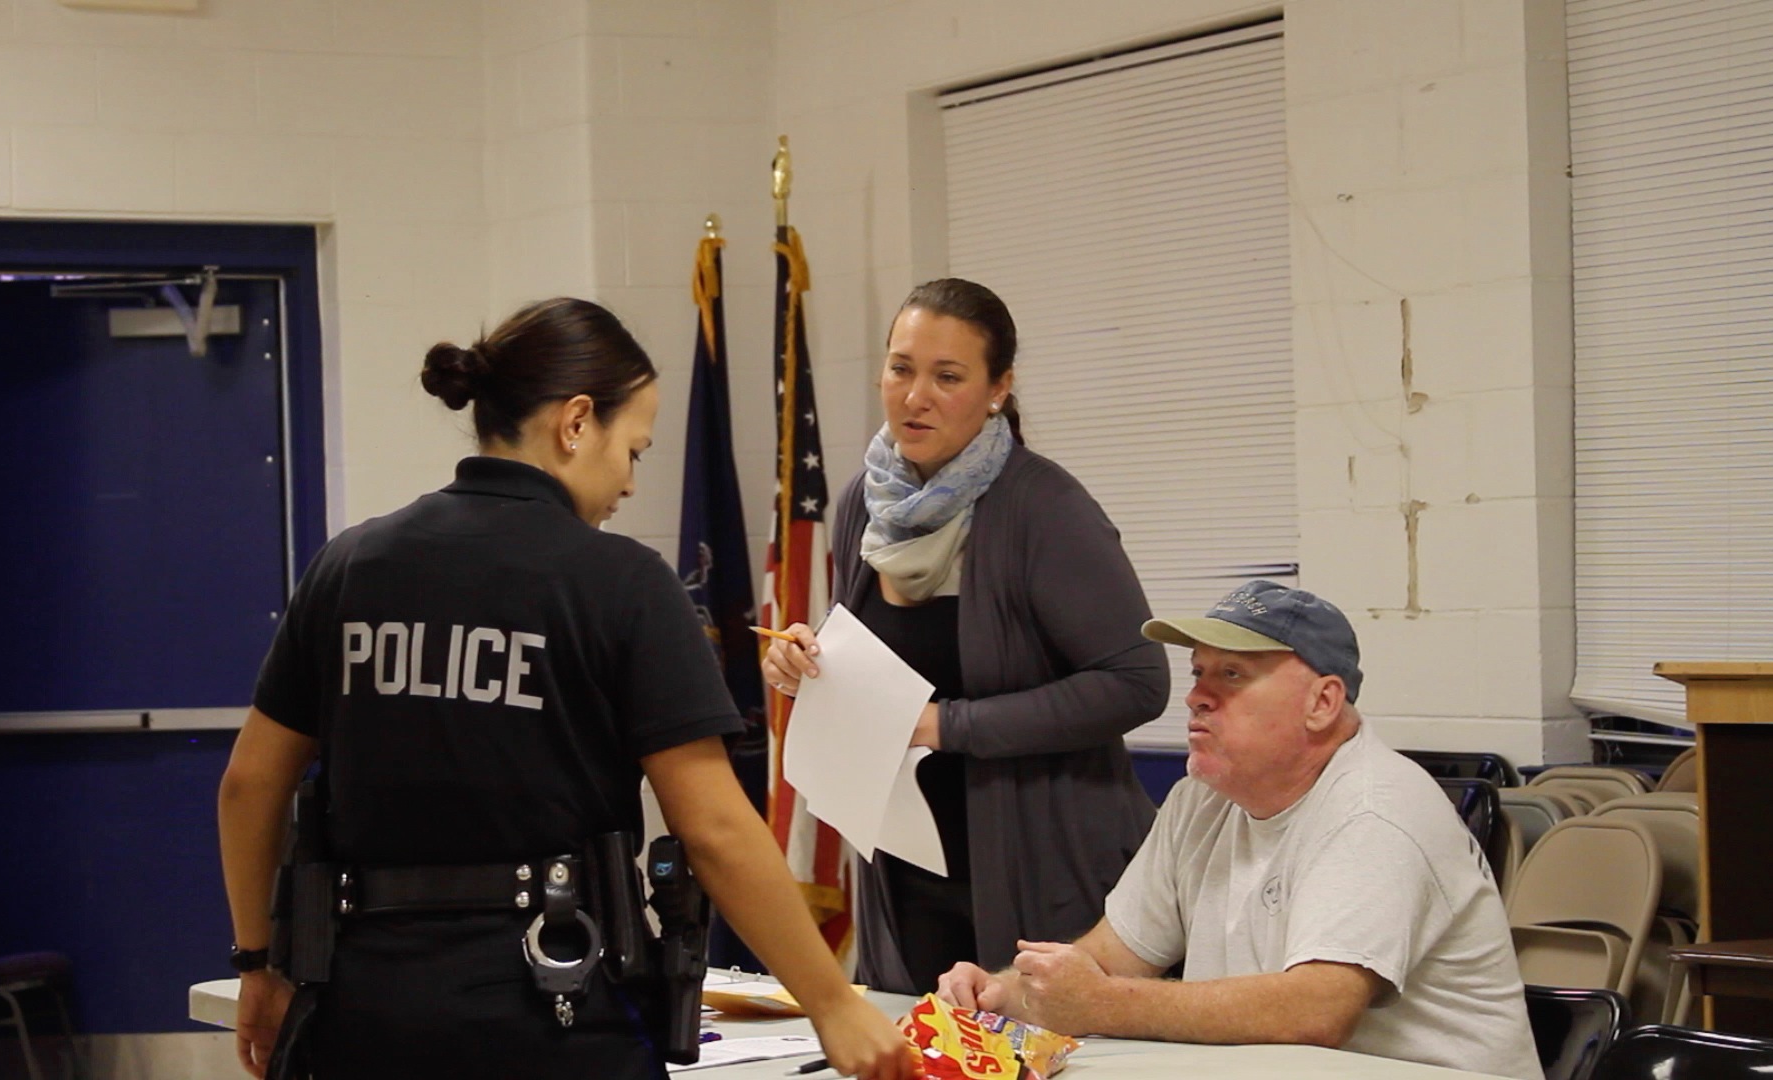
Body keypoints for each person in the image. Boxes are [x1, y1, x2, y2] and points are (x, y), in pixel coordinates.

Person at [218, 298, 911, 1080]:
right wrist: (832, 1003)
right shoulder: (620, 583)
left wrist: (257, 963)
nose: (627, 482)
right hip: (552, 1011)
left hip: (362, 1012)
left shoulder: (349, 565)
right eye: (634, 450)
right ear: (576, 423)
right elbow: (714, 827)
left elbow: (249, 785)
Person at [934, 580, 1543, 1080]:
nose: (1196, 696)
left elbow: (1317, 1009)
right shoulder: (1200, 800)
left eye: (1231, 675)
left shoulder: (1376, 808)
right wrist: (1007, 993)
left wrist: (1101, 1005)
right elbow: (1111, 958)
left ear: (1322, 703)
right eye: (1199, 673)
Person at [761, 279, 1170, 995]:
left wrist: (947, 726)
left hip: (1045, 867)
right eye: (901, 368)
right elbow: (876, 652)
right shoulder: (866, 499)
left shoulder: (1044, 510)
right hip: (908, 863)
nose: (915, 395)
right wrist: (803, 657)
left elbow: (1138, 682)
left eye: (947, 377)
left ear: (997, 390)